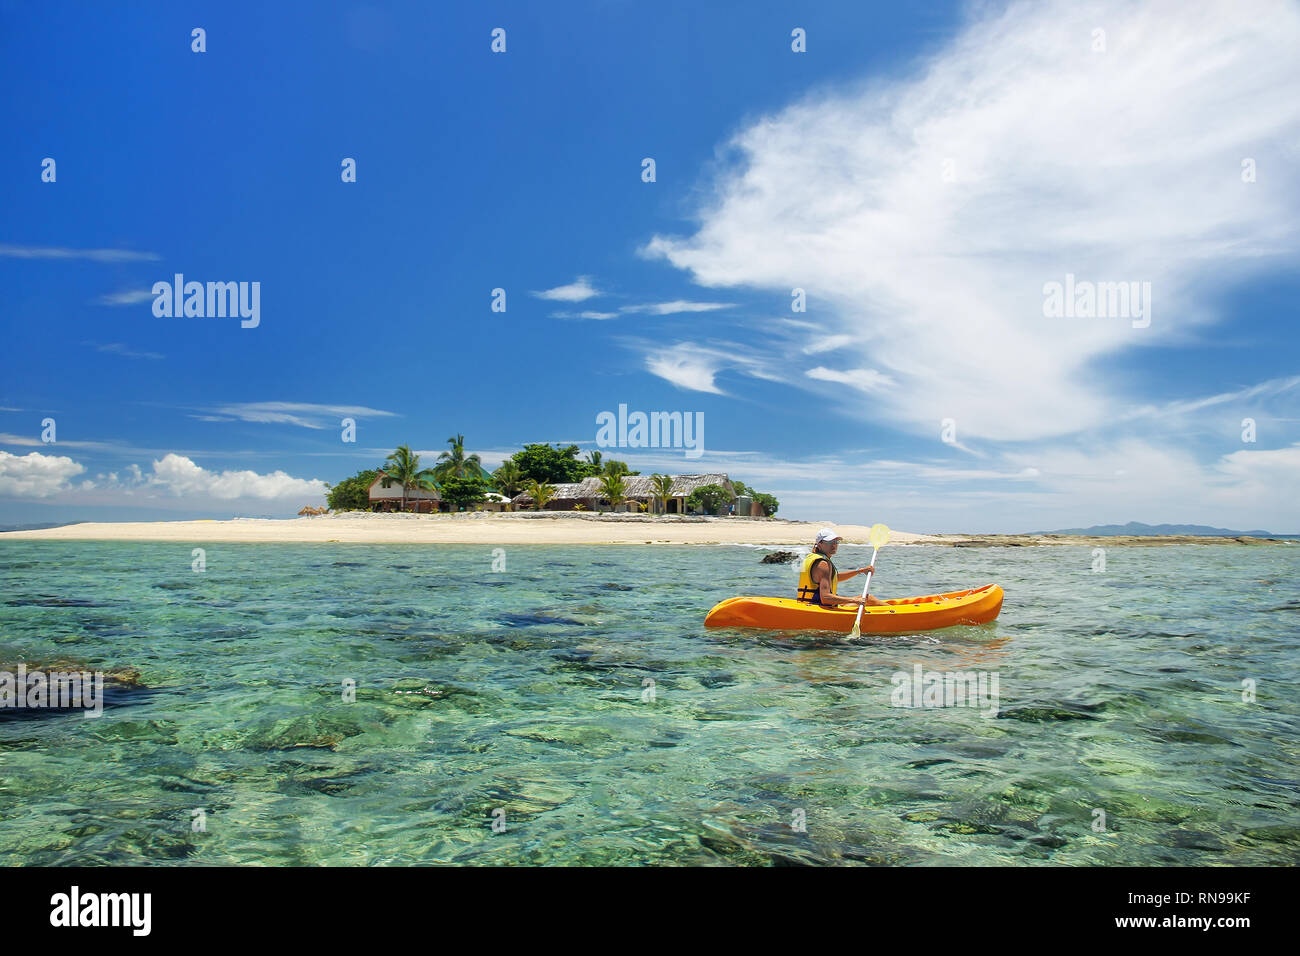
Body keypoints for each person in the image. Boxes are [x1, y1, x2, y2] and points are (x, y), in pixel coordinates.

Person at [796, 528, 886, 608]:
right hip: (819, 607)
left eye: (836, 542)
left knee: (866, 598)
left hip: (808, 604)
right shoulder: (822, 564)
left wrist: (860, 571)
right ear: (819, 544)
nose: (834, 545)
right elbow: (825, 598)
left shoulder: (813, 558)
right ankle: (893, 614)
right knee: (868, 599)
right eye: (829, 542)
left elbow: (835, 578)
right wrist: (854, 600)